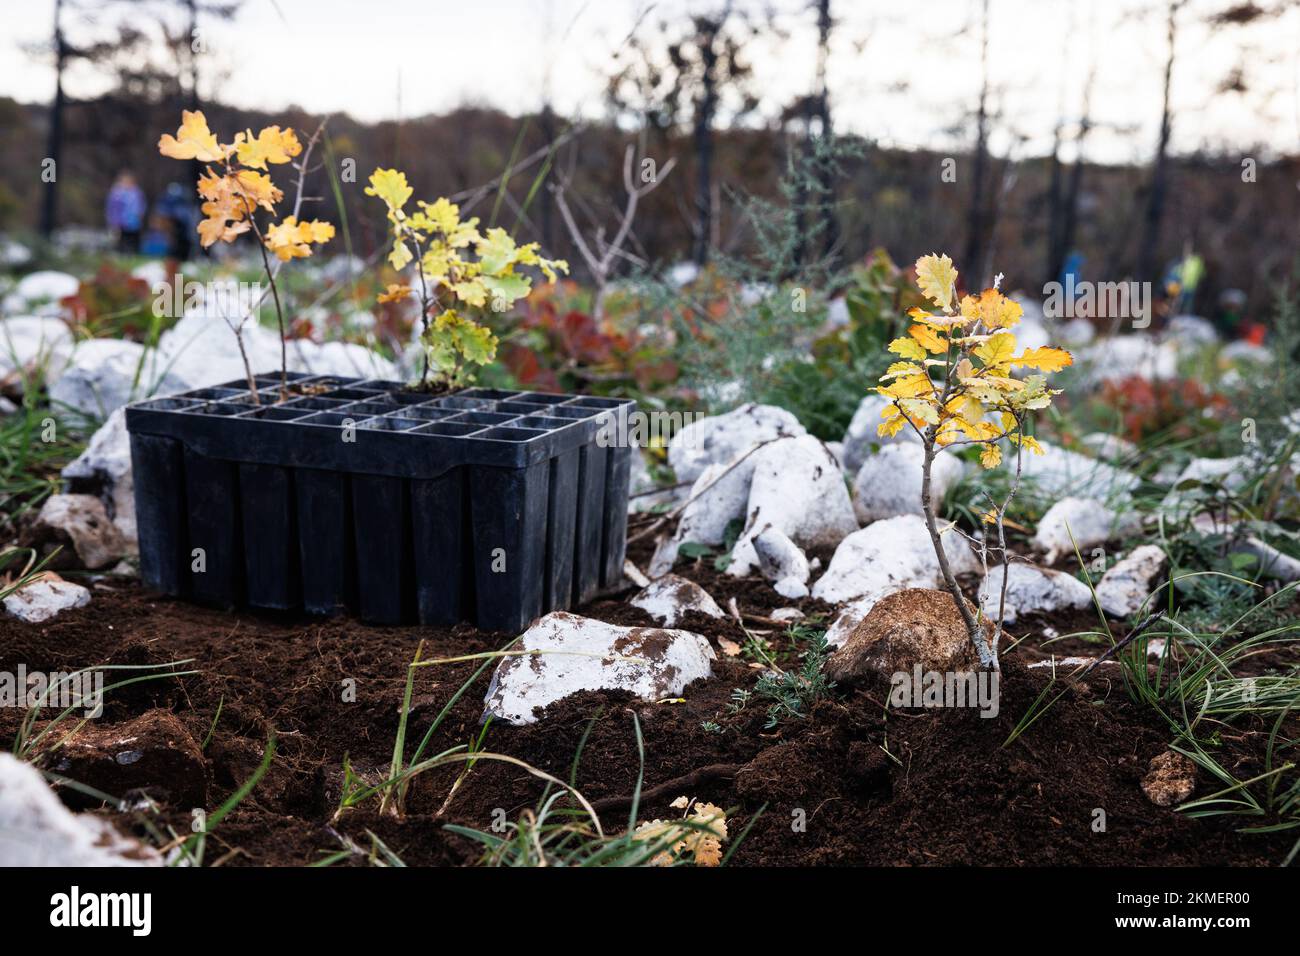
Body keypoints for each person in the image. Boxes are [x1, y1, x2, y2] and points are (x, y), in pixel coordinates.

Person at [105, 171, 147, 253]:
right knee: (121, 239)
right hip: (120, 222)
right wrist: (112, 219)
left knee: (133, 238)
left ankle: (133, 253)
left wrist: (140, 215)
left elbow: (141, 205)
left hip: (134, 221)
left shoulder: (137, 193)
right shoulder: (116, 193)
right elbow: (112, 207)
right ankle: (122, 253)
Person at [155, 181, 196, 262]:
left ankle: (178, 273)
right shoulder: (169, 208)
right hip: (176, 239)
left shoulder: (183, 208)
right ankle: (176, 273)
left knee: (179, 260)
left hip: (182, 237)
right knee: (175, 260)